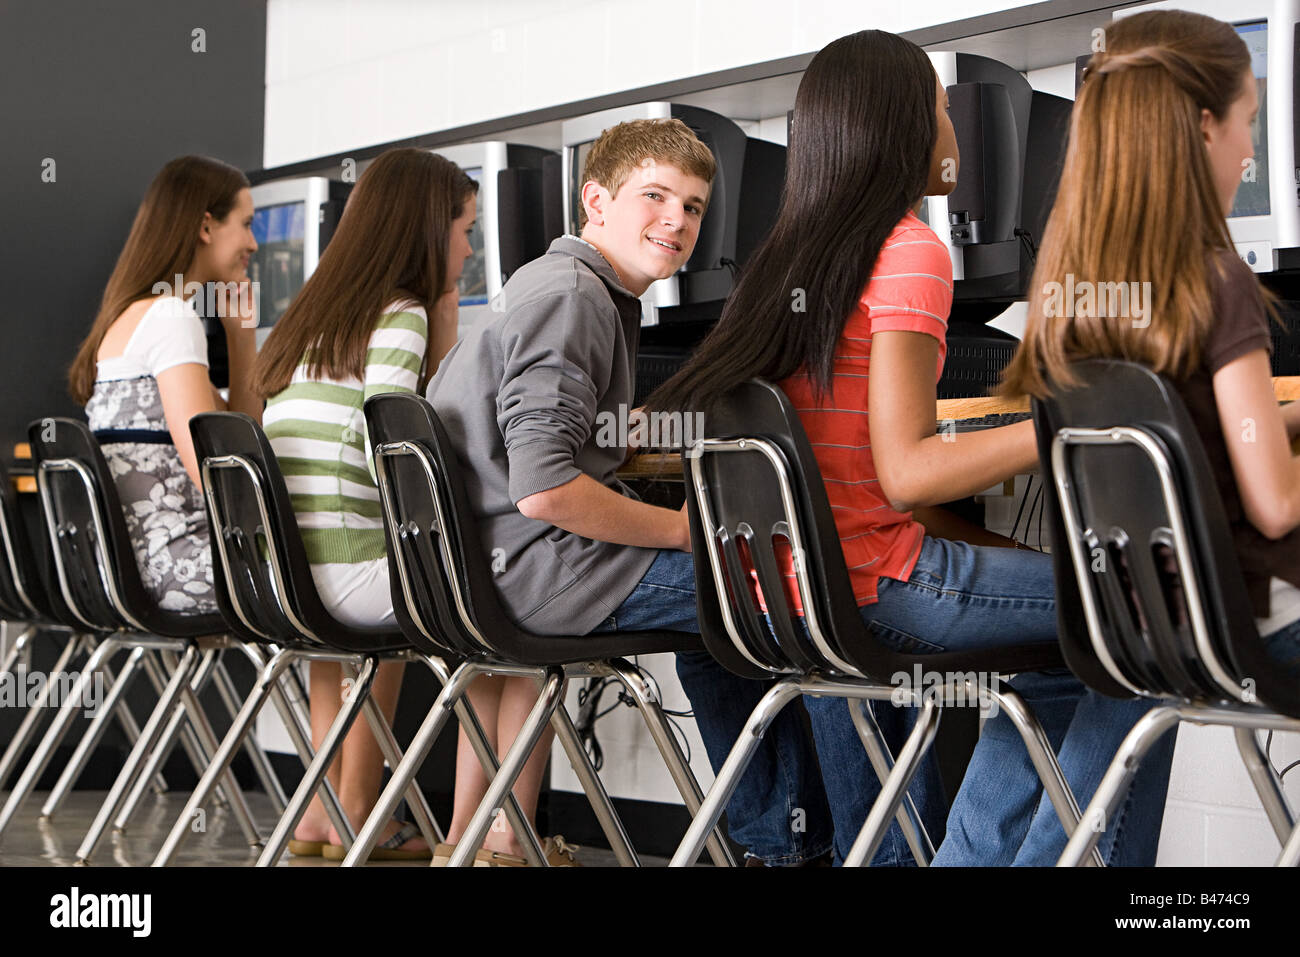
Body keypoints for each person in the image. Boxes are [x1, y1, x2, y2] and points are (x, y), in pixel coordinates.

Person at [648, 29, 1176, 866]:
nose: (953, 135)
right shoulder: (909, 252)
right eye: (938, 111)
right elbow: (906, 474)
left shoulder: (782, 266)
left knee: (1064, 651)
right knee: (1148, 614)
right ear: (898, 128)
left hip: (793, 597)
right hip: (880, 584)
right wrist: (1050, 424)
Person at [426, 118, 838, 866]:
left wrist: (665, 418)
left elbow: (561, 430)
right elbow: (547, 488)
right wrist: (685, 531)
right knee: (792, 587)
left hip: (491, 571)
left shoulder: (555, 282)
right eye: (656, 196)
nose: (677, 221)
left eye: (693, 207)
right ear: (596, 201)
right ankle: (829, 849)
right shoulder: (576, 301)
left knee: (722, 633)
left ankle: (776, 845)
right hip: (542, 570)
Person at [1003, 10, 1300, 680]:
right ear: (1202, 127)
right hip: (1250, 618)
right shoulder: (1219, 281)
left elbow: (1192, 447)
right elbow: (1275, 505)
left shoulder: (1067, 297)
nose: (1250, 149)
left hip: (1137, 616)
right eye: (1246, 121)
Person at [253, 147, 475, 860]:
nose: (470, 248)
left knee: (336, 649)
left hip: (285, 581)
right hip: (347, 577)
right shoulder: (402, 315)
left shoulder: (309, 320)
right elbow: (406, 450)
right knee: (419, 603)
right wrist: (444, 324)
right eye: (465, 229)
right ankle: (363, 813)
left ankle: (320, 815)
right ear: (425, 230)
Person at [69, 155, 260, 615]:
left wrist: (240, 335)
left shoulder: (136, 317)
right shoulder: (171, 318)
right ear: (206, 227)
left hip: (127, 574)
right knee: (339, 583)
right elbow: (220, 474)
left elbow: (244, 432)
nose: (253, 243)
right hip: (180, 568)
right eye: (247, 224)